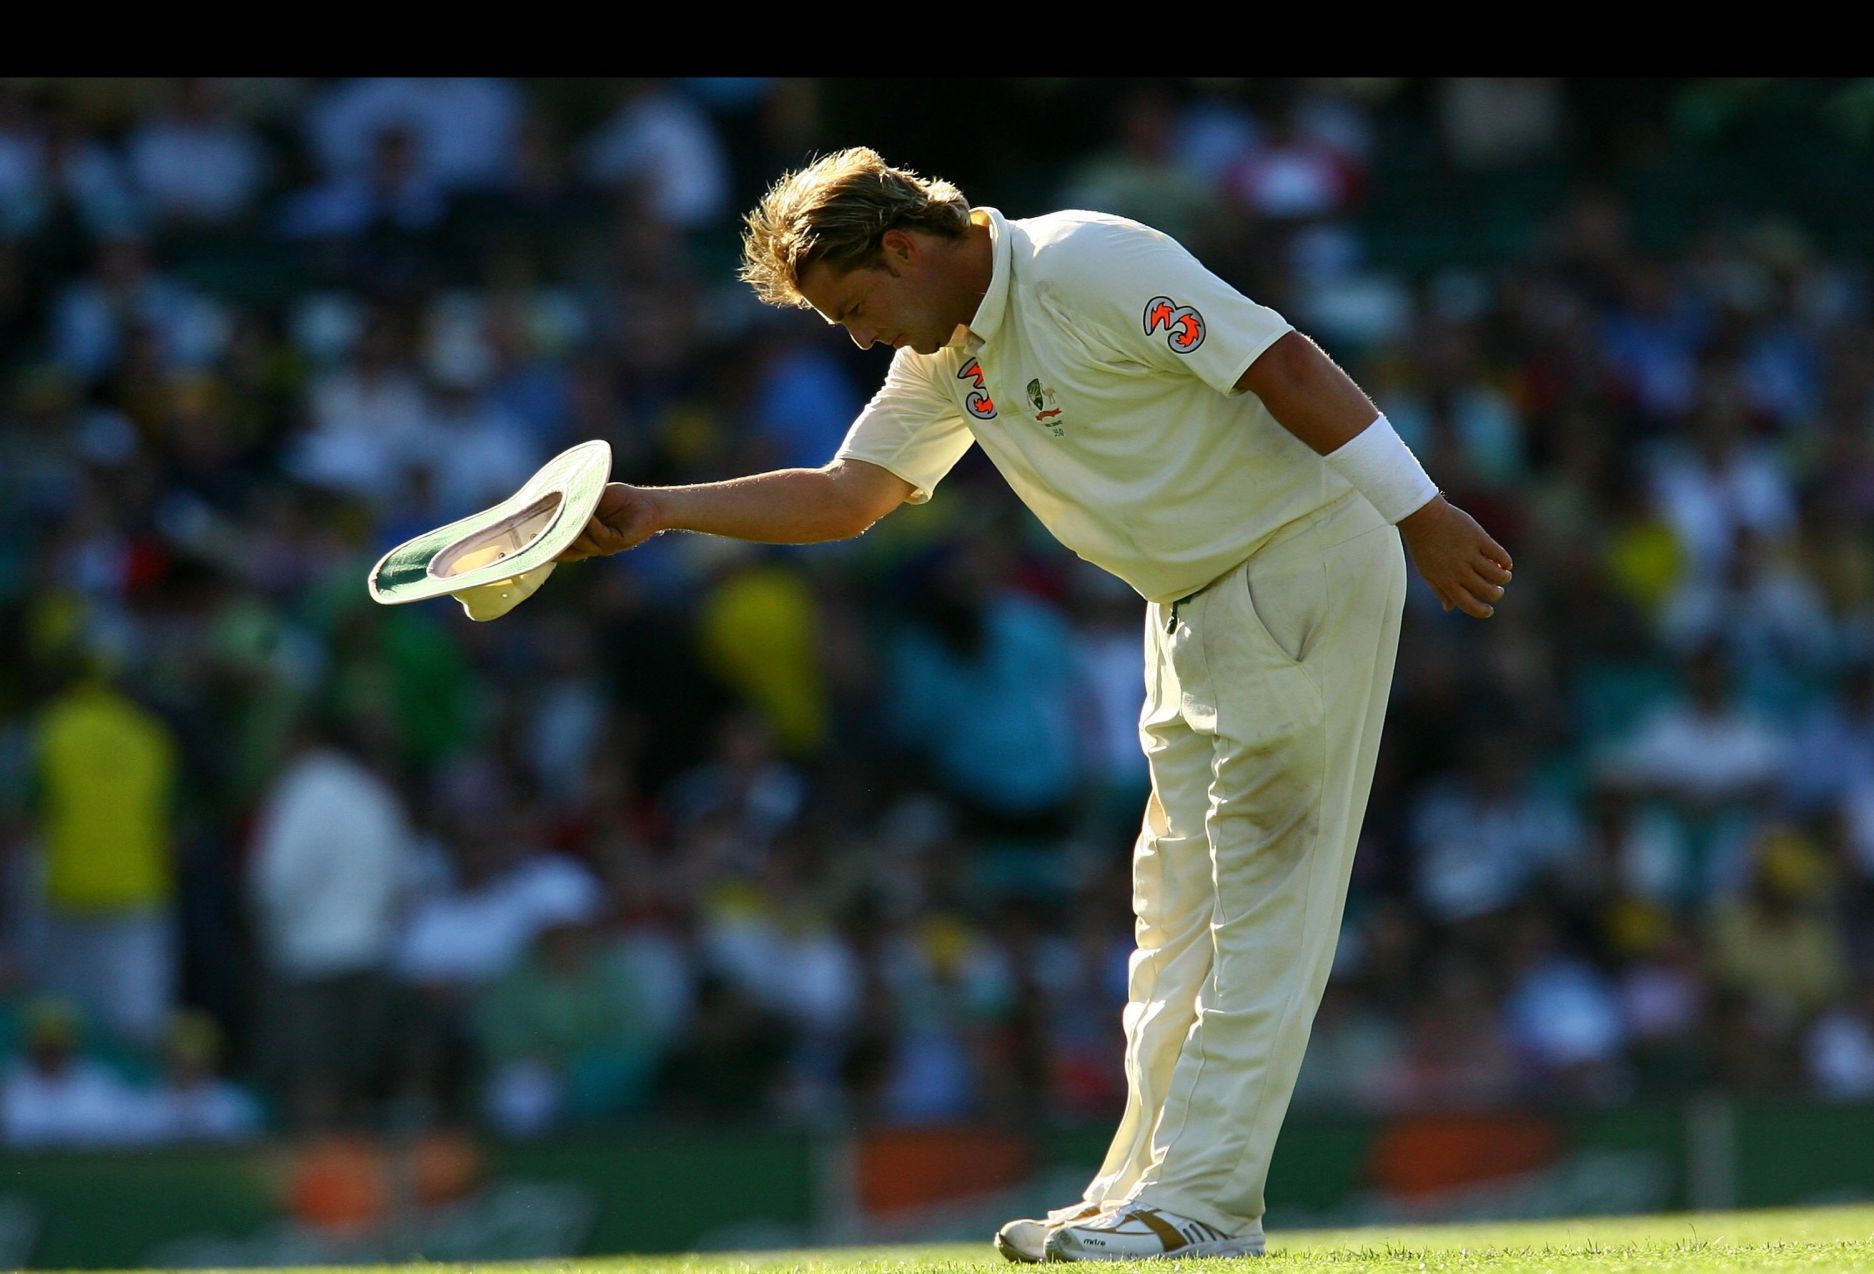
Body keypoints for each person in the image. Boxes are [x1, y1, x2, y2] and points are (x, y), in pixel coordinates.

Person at [557, 148, 1512, 1261]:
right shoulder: (948, 350)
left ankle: (1200, 1203)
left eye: (855, 307)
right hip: (1187, 604)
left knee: (1260, 899)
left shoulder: (1085, 261)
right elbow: (847, 495)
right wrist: (660, 509)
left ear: (904, 248)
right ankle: (1136, 1189)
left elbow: (1282, 362)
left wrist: (1420, 508)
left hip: (1298, 559)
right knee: (1170, 915)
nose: (859, 337)